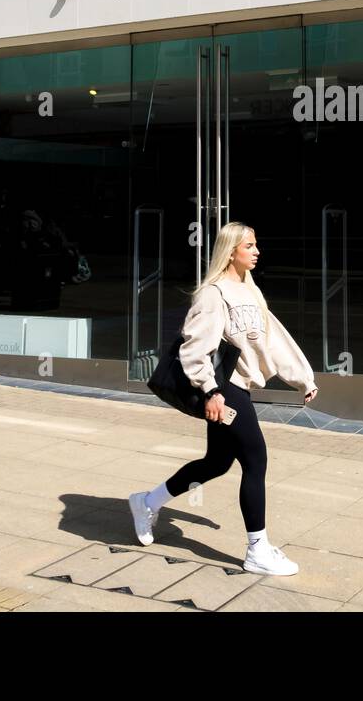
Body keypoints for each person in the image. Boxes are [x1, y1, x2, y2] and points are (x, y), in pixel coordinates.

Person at [129, 221, 318, 576]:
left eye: (256, 245)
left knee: (216, 462)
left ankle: (147, 501)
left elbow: (272, 339)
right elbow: (195, 349)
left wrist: (301, 377)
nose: (256, 251)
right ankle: (257, 549)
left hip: (238, 386)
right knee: (256, 459)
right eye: (249, 246)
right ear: (231, 251)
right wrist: (211, 391)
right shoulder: (213, 293)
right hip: (225, 389)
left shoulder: (250, 290)